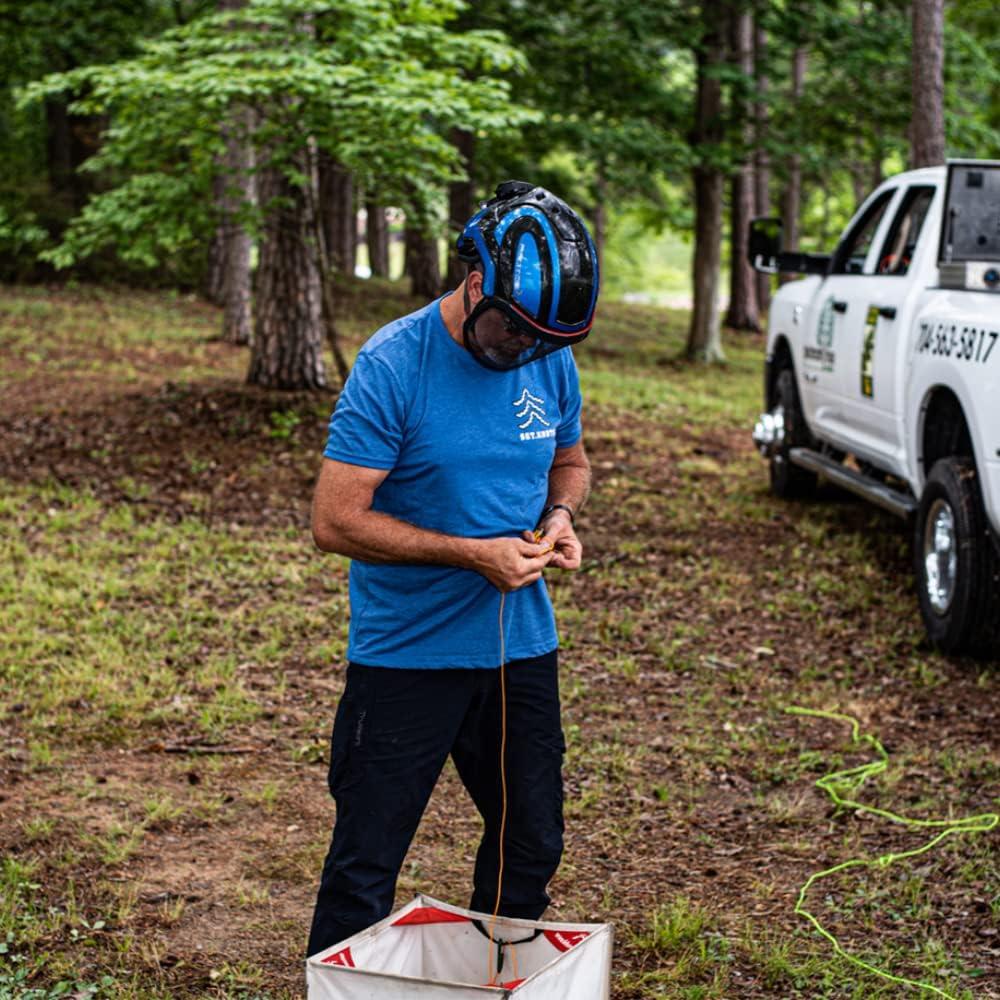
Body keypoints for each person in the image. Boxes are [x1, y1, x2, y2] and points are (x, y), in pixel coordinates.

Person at [306, 180, 600, 958]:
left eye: (543, 340)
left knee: (529, 837)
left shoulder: (546, 357)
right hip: (407, 651)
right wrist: (472, 553)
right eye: (512, 329)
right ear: (475, 283)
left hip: (519, 646)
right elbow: (335, 521)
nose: (524, 350)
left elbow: (570, 462)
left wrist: (559, 517)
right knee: (368, 854)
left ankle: (495, 974)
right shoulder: (394, 363)